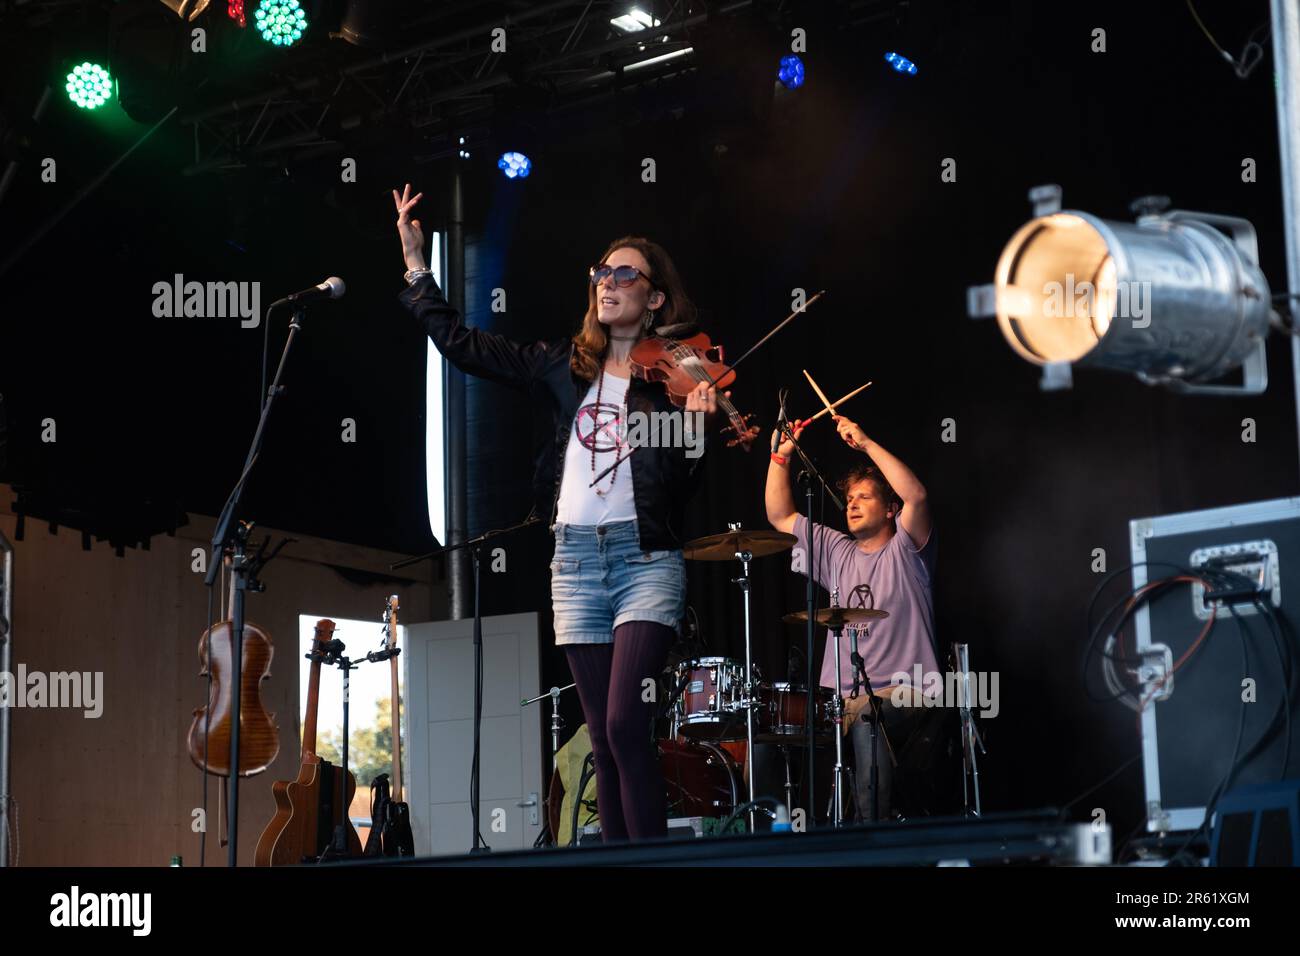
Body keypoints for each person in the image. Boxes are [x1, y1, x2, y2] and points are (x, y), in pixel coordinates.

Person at [393, 184, 721, 841]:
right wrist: (417, 270)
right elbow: (464, 346)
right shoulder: (559, 366)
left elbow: (681, 486)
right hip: (573, 562)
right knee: (600, 737)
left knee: (628, 721)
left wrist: (694, 431)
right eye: (602, 272)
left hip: (645, 559)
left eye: (625, 273)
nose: (608, 281)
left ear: (655, 298)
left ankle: (658, 863)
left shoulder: (681, 375)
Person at [764, 412, 940, 821]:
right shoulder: (836, 551)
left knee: (866, 721)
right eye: (849, 499)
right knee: (765, 730)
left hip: (908, 692)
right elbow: (778, 517)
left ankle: (870, 842)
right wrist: (780, 458)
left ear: (890, 509)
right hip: (838, 701)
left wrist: (865, 444)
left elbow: (917, 496)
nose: (853, 504)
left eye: (865, 497)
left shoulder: (908, 551)